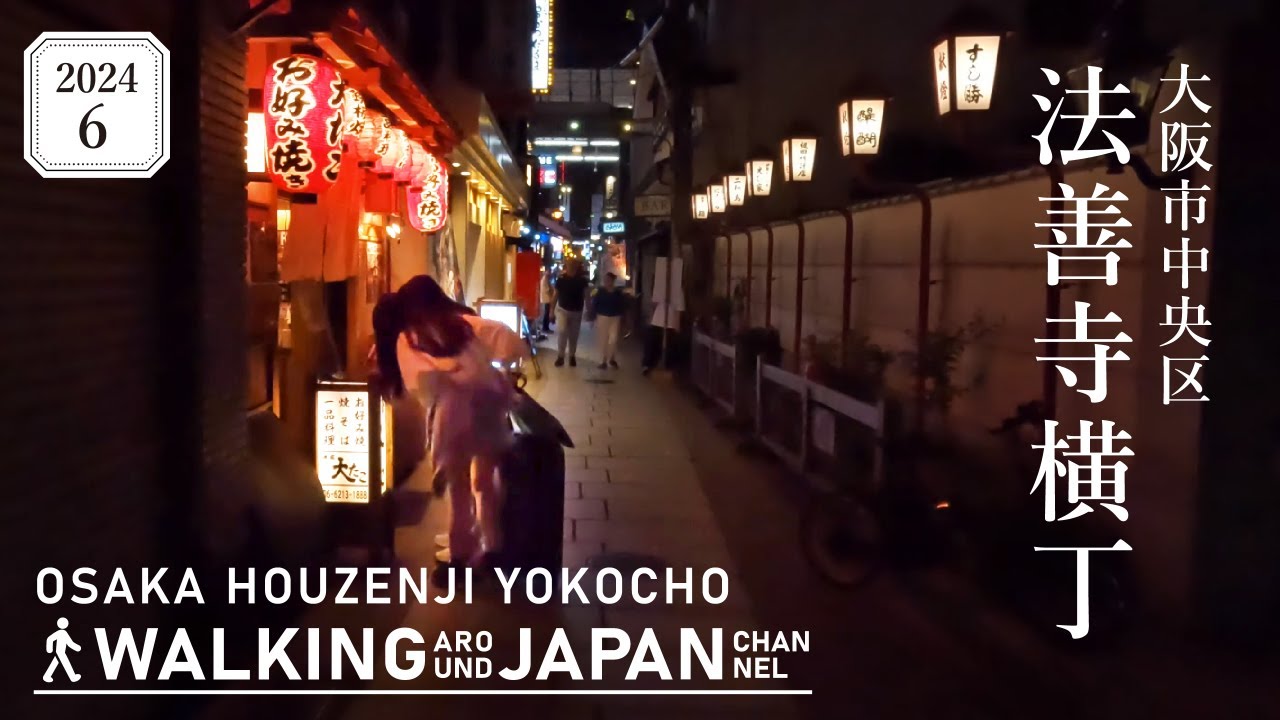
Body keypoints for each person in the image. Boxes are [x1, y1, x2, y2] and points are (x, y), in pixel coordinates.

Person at [372, 275, 530, 574]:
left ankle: (460, 556)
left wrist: (444, 380)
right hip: (490, 405)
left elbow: (422, 380)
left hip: (454, 416)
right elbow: (507, 339)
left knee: (459, 489)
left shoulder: (411, 337)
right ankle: (492, 546)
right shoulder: (463, 324)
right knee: (484, 482)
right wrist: (503, 370)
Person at [553, 259, 589, 367]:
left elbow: (587, 295)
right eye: (569, 265)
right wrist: (551, 310)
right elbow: (555, 295)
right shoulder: (561, 280)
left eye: (573, 265)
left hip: (576, 311)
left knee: (574, 335)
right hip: (562, 309)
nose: (571, 267)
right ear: (566, 267)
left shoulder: (582, 281)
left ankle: (572, 356)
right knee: (562, 331)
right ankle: (560, 356)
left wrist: (589, 309)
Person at [593, 272, 626, 369]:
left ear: (613, 281)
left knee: (613, 339)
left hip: (615, 317)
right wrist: (593, 315)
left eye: (608, 279)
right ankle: (603, 360)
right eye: (605, 279)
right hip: (602, 316)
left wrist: (623, 317)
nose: (606, 281)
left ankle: (611, 358)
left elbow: (622, 304)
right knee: (603, 339)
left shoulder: (618, 292)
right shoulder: (599, 291)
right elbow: (595, 302)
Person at [539, 268, 556, 334]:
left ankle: (546, 327)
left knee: (546, 314)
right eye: (549, 272)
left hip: (546, 299)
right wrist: (552, 297)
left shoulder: (546, 279)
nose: (550, 273)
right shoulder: (545, 279)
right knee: (546, 314)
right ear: (546, 272)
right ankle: (545, 328)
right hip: (546, 299)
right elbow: (547, 290)